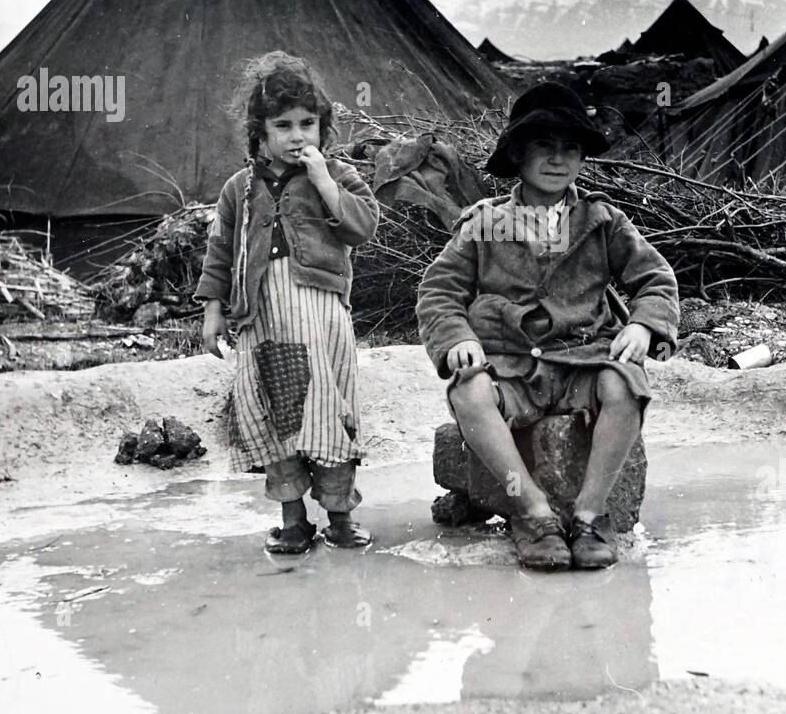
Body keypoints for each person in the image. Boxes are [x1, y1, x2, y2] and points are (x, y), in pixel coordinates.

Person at [416, 83, 679, 570]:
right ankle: (532, 512)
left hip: (583, 359)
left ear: (582, 158)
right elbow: (439, 292)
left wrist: (643, 327)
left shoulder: (603, 220)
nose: (558, 160)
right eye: (543, 146)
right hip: (511, 366)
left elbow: (657, 280)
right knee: (468, 391)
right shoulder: (484, 222)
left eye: (570, 149)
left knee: (624, 384)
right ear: (517, 153)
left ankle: (590, 515)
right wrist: (459, 340)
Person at [196, 51, 380, 554]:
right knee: (277, 418)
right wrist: (213, 308)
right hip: (263, 319)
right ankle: (294, 519)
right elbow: (221, 249)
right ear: (259, 134)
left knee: (330, 409)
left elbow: (362, 228)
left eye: (308, 124)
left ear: (323, 127)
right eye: (283, 125)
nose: (298, 136)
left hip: (321, 319)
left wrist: (323, 181)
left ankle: (340, 516)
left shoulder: (337, 176)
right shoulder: (240, 188)